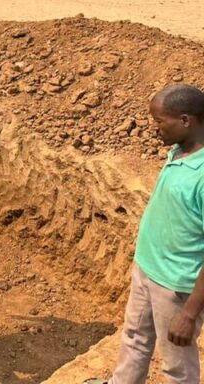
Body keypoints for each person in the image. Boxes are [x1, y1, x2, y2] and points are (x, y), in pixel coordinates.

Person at [87, 85, 204, 384]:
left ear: (186, 120)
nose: (153, 129)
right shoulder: (180, 151)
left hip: (176, 286)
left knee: (177, 367)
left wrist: (189, 314)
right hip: (147, 269)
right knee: (134, 338)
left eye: (159, 121)